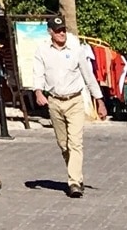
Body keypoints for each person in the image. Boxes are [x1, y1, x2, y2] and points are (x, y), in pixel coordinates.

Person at [31, 10, 105, 197]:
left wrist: (100, 100)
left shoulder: (76, 50)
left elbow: (89, 76)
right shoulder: (42, 50)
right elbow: (38, 73)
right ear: (50, 32)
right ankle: (76, 174)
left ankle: (73, 182)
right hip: (55, 102)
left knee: (75, 143)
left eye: (63, 30)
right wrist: (38, 92)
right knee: (64, 144)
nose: (62, 33)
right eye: (58, 31)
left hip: (75, 101)